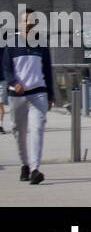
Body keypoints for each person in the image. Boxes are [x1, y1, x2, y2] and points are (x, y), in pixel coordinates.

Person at [3, 14, 53, 185]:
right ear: (19, 24)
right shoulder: (11, 44)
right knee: (19, 132)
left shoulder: (42, 44)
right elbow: (6, 68)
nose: (29, 24)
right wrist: (14, 82)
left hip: (38, 93)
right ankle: (24, 164)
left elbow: (47, 71)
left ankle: (35, 169)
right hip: (17, 95)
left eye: (32, 22)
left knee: (37, 129)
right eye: (25, 21)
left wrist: (51, 95)